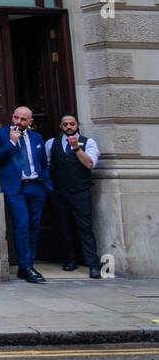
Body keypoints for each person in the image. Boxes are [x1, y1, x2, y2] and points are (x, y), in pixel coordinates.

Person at [0, 105, 53, 284]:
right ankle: (25, 266)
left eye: (23, 119)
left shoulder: (36, 137)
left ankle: (28, 265)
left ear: (30, 121)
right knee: (22, 225)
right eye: (16, 117)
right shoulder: (0, 135)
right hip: (15, 188)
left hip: (36, 187)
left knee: (33, 227)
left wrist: (45, 183)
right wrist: (12, 143)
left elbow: (44, 162)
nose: (18, 122)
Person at [45, 114, 102, 278]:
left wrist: (77, 148)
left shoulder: (88, 142)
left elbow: (89, 164)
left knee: (85, 228)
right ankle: (71, 260)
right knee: (65, 227)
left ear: (77, 125)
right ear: (61, 127)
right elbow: (49, 165)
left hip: (80, 192)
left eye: (72, 124)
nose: (69, 127)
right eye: (65, 124)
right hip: (59, 192)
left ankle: (92, 264)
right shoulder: (51, 143)